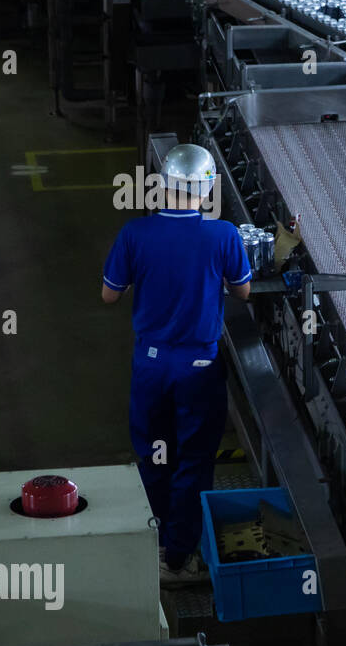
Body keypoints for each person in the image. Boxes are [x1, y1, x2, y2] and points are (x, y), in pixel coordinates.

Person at [102, 144, 252, 584]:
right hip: (199, 367)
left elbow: (110, 294)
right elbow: (243, 292)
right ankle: (179, 556)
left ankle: (154, 540)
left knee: (153, 452)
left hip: (151, 364)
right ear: (206, 189)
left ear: (162, 185)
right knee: (193, 458)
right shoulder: (223, 235)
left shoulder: (135, 233)